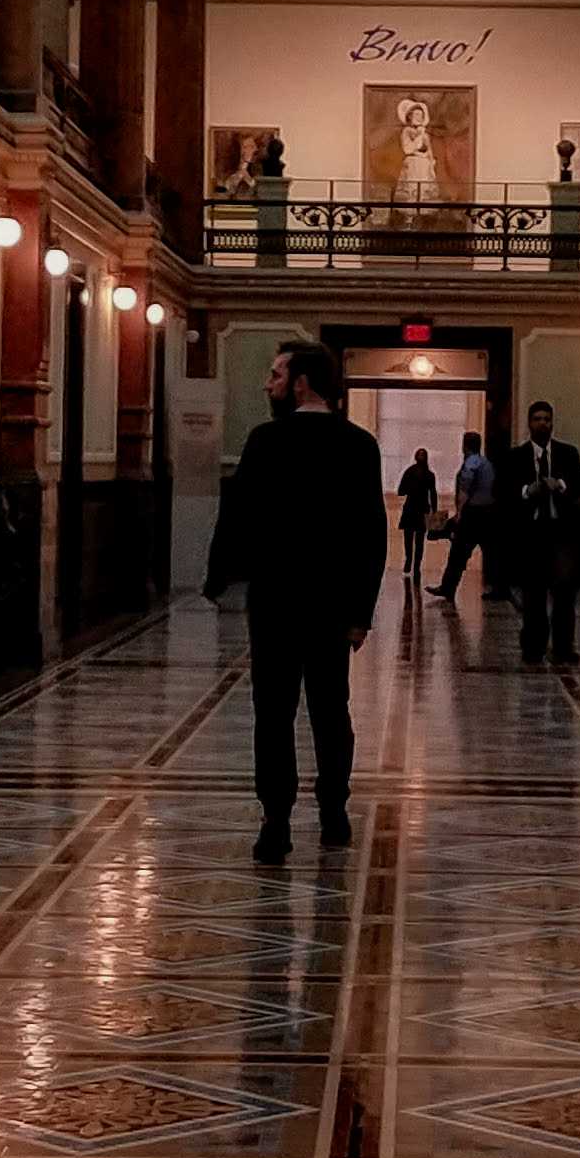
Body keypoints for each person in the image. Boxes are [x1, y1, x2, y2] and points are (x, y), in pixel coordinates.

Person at [204, 338, 386, 863]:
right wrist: (360, 612)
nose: (268, 385)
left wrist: (219, 577)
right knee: (331, 711)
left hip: (276, 602)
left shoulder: (265, 441)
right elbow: (370, 534)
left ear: (301, 383)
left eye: (276, 375)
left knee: (273, 712)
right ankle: (334, 811)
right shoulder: (359, 445)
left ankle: (276, 821)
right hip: (332, 605)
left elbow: (237, 514)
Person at [493, 398, 580, 668]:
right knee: (533, 594)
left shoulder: (568, 454)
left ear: (552, 423)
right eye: (537, 419)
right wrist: (527, 491)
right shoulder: (515, 457)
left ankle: (563, 647)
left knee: (564, 593)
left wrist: (560, 485)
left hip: (561, 532)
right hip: (531, 533)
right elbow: (501, 491)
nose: (542, 424)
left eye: (547, 419)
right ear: (529, 423)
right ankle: (533, 647)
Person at [433, 430, 494, 602]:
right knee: (491, 553)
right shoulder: (487, 463)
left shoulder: (471, 463)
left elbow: (465, 489)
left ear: (464, 445)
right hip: (488, 513)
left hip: (473, 514)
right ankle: (496, 588)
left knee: (458, 553)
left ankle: (448, 587)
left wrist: (459, 513)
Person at [396, 443, 437, 591]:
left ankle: (409, 561)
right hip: (422, 509)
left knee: (409, 538)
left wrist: (410, 488)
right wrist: (434, 511)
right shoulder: (430, 475)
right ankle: (416, 566)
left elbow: (400, 491)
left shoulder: (409, 472)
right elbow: (433, 494)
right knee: (419, 541)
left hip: (410, 508)